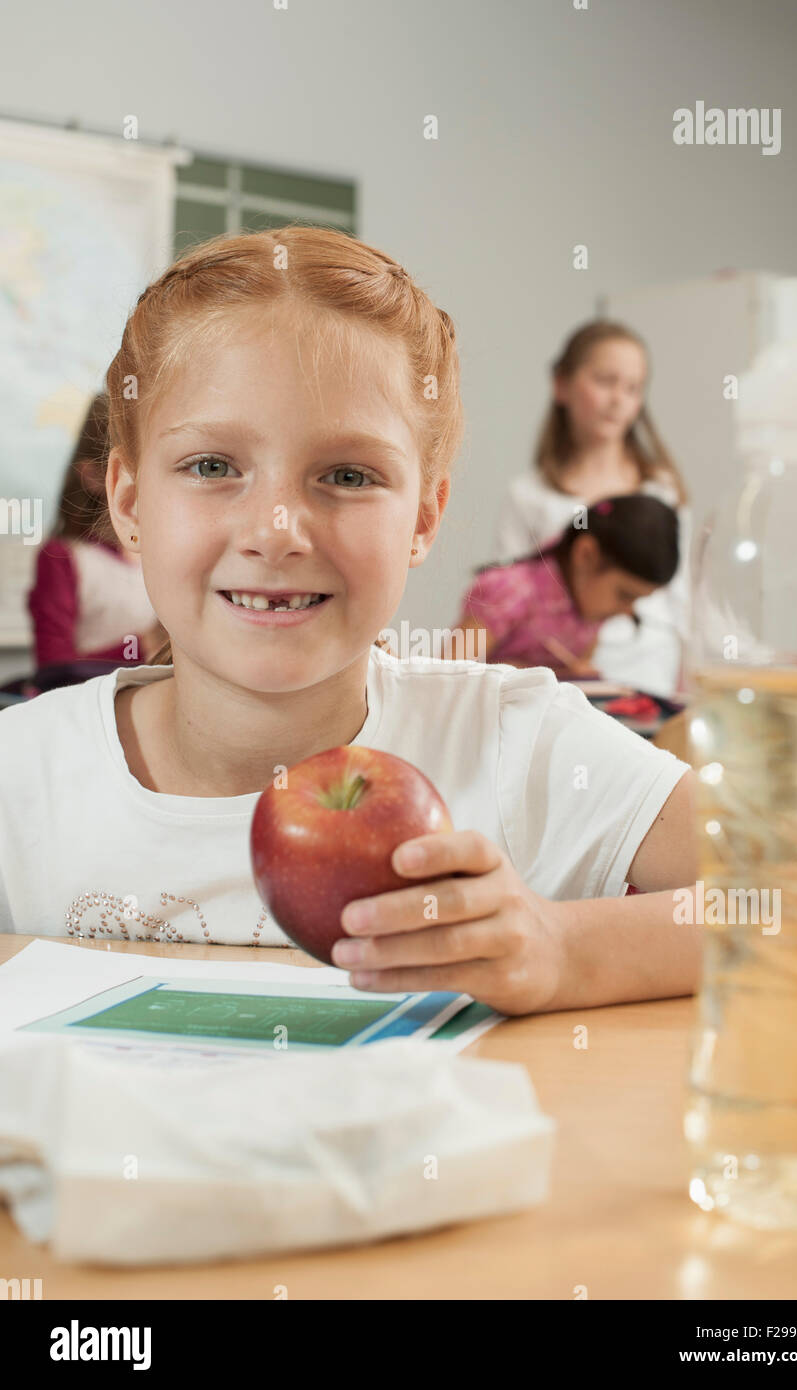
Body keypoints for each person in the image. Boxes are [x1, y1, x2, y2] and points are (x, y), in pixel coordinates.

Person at [0, 226, 699, 1017]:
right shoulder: (19, 777)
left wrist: (567, 950)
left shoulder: (513, 741)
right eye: (211, 466)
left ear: (423, 519)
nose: (276, 530)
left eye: (347, 475)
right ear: (129, 502)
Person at [494, 321, 690, 696]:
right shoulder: (528, 496)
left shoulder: (663, 490)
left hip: (651, 673)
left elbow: (682, 602)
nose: (618, 399)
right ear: (562, 384)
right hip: (563, 678)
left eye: (633, 388)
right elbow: (506, 603)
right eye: (605, 381)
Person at [449, 494, 678, 680]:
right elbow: (450, 674)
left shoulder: (591, 608)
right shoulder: (511, 589)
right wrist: (556, 677)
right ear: (586, 555)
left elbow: (577, 670)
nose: (627, 611)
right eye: (625, 595)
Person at [27, 392, 166, 668]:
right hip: (89, 703)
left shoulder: (163, 556)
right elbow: (54, 668)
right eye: (137, 475)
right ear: (93, 476)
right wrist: (144, 643)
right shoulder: (63, 558)